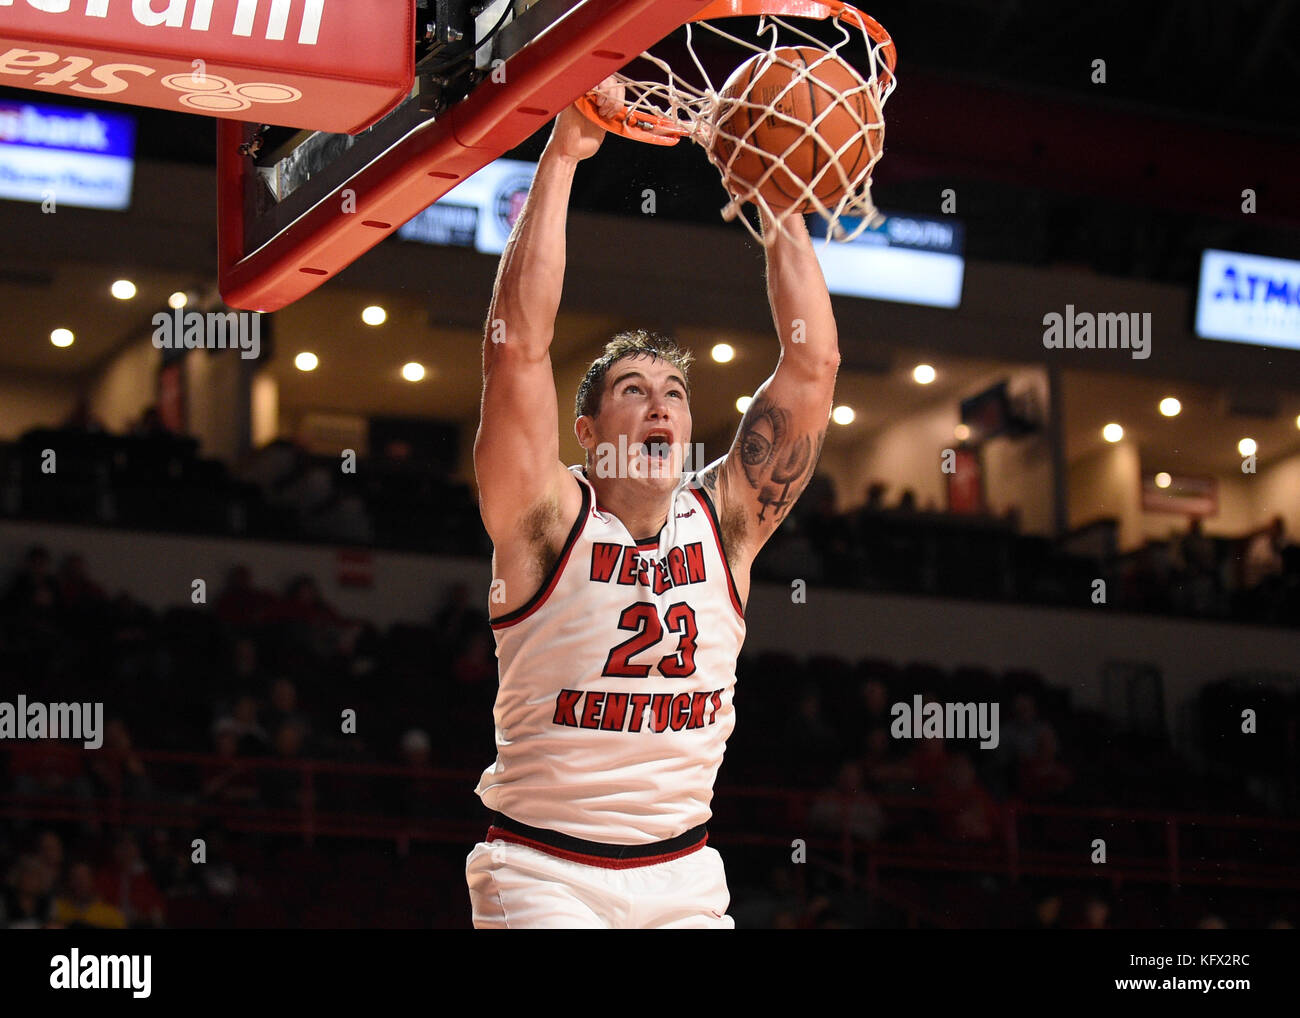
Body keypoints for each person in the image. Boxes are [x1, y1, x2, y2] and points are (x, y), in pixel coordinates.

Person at [465, 90, 840, 929]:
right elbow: (516, 347)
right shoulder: (546, 519)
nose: (663, 407)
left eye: (675, 392)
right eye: (635, 392)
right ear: (589, 430)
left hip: (683, 876)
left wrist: (777, 197)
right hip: (542, 870)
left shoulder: (728, 521)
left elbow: (813, 369)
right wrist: (561, 157)